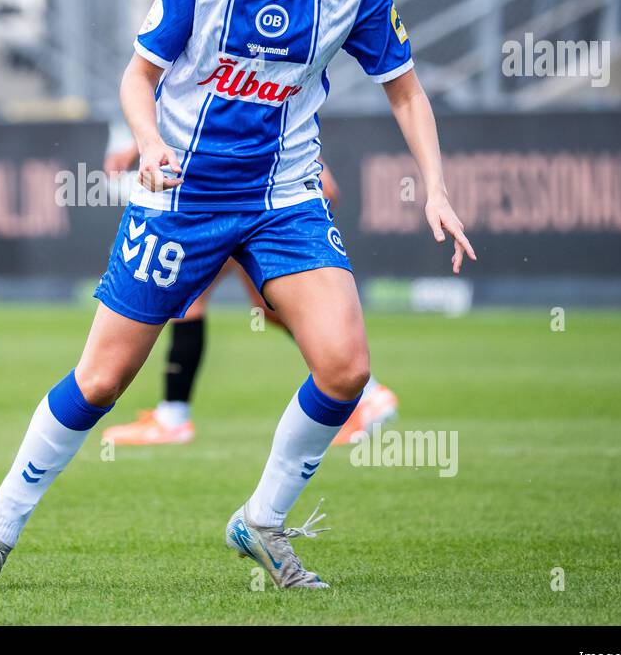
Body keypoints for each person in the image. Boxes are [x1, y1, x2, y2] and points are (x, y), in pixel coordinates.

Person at [0, 0, 474, 591]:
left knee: (346, 368)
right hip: (181, 198)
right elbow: (135, 78)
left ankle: (263, 520)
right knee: (99, 383)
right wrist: (149, 142)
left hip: (285, 196)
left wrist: (437, 186)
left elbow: (406, 90)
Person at [100, 140, 398, 446]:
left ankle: (172, 418)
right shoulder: (245, 112)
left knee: (189, 300)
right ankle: (368, 393)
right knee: (270, 310)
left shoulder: (268, 116)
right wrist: (135, 149)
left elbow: (325, 187)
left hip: (254, 213)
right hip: (246, 209)